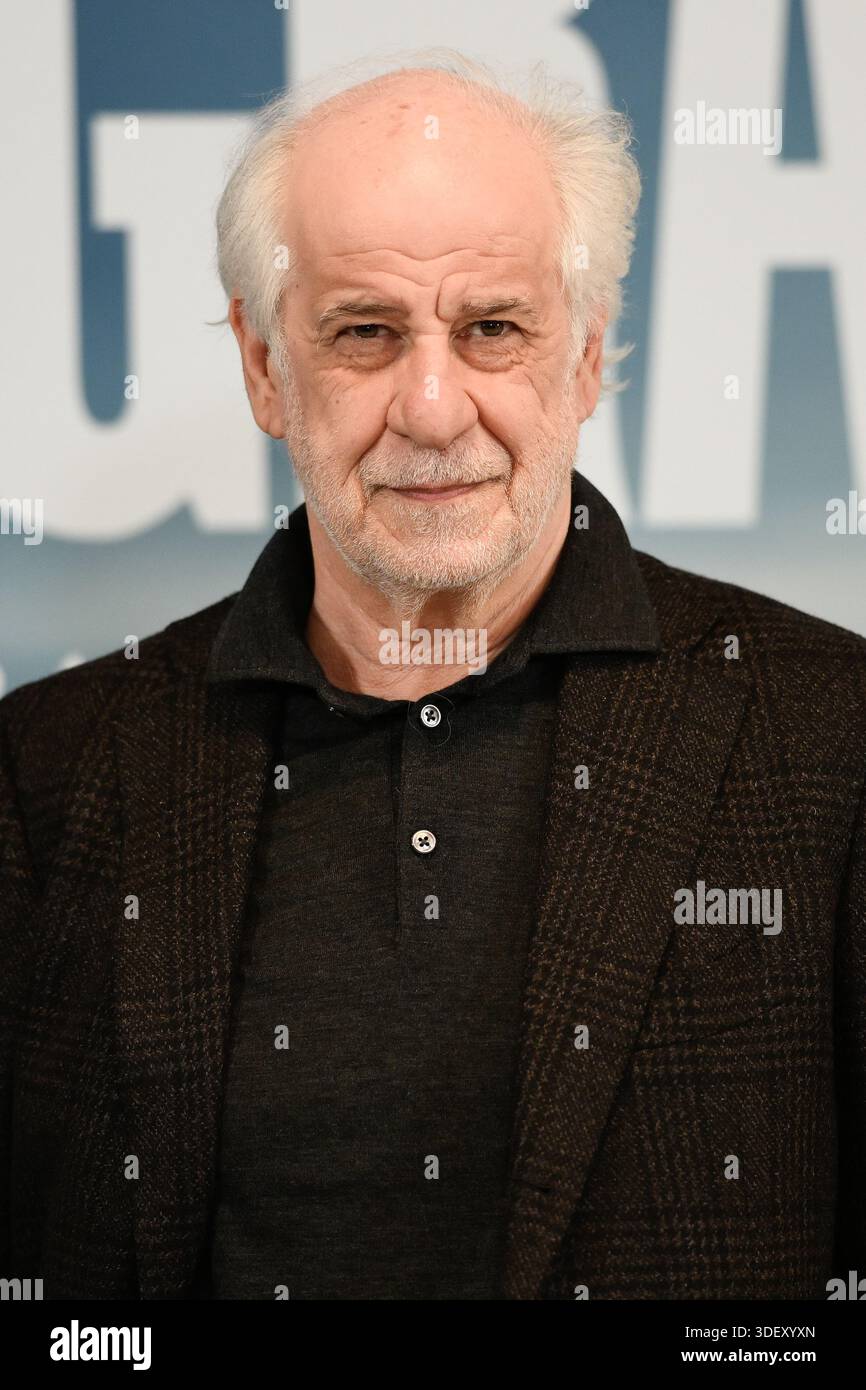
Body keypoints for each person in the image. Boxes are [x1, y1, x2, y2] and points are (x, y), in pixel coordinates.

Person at [2, 49, 864, 1301]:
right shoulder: (44, 771)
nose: (429, 404)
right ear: (261, 366)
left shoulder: (832, 739)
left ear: (581, 358)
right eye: (362, 332)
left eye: (491, 329)